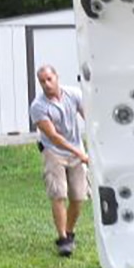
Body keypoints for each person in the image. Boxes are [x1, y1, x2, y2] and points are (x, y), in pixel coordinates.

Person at [29, 64, 89, 256]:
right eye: (42, 81)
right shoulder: (38, 107)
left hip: (76, 150)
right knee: (59, 194)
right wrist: (79, 153)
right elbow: (54, 137)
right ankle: (63, 238)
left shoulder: (74, 94)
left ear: (57, 77)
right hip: (53, 152)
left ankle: (70, 232)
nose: (46, 84)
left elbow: (89, 116)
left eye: (49, 79)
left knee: (78, 197)